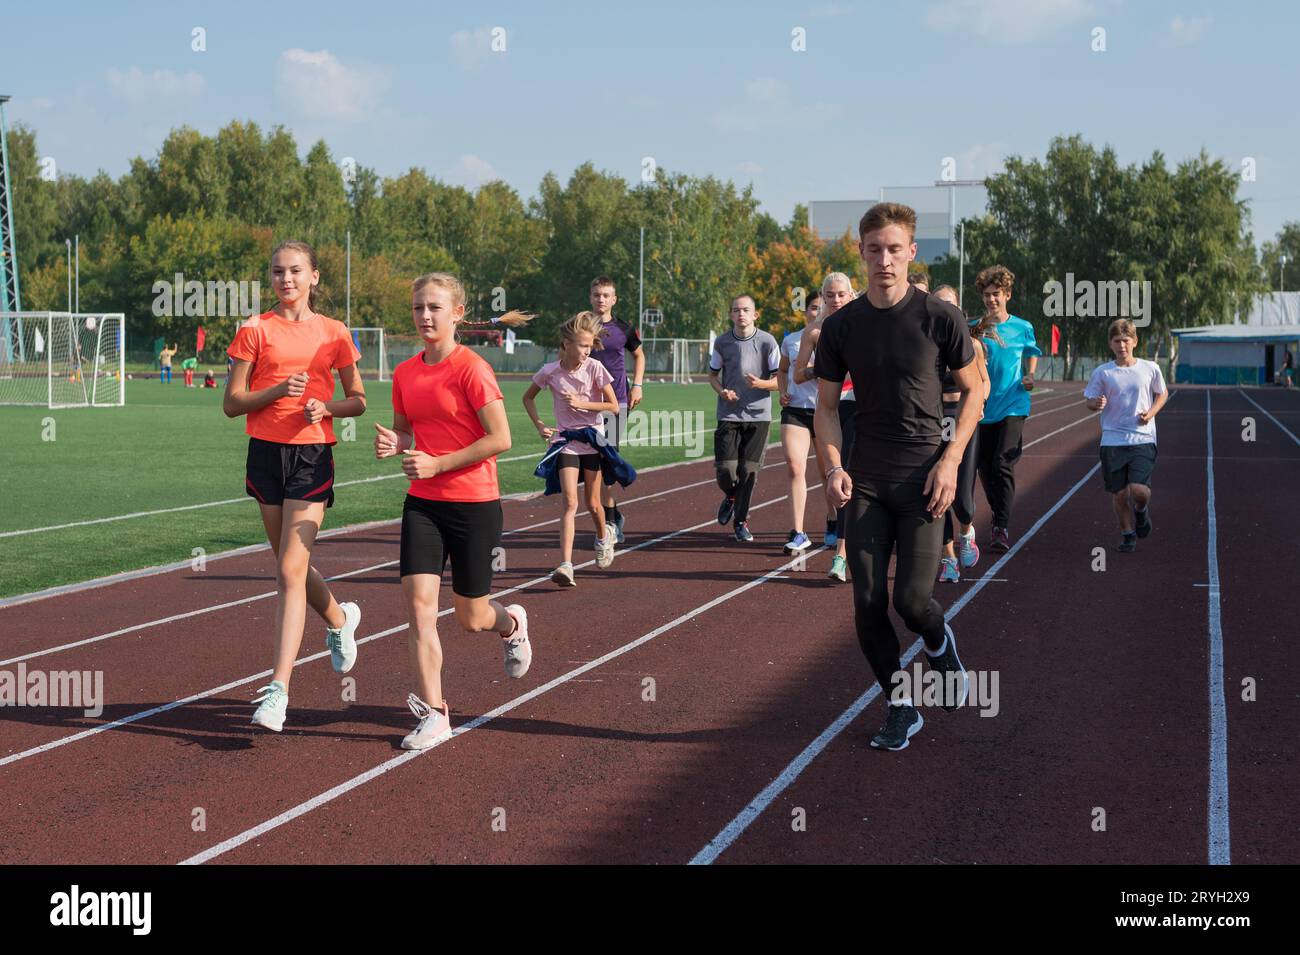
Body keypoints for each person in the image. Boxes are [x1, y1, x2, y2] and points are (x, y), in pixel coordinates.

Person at [814, 203, 982, 751]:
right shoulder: (841, 326)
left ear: (912, 252)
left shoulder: (940, 317)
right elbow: (825, 408)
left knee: (912, 602)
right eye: (873, 249)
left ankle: (939, 643)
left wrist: (951, 459)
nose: (884, 259)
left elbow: (974, 390)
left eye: (894, 249)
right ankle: (901, 705)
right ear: (860, 253)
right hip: (864, 479)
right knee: (866, 605)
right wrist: (833, 466)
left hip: (924, 480)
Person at [374, 272, 536, 750]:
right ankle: (437, 713)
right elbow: (408, 432)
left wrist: (437, 462)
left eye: (435, 308)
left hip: (474, 505)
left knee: (471, 617)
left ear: (457, 314)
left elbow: (501, 439)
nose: (425, 316)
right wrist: (395, 443)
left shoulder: (472, 369)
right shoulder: (405, 373)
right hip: (423, 505)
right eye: (418, 308)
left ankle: (512, 624)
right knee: (420, 611)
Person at [224, 240, 367, 733]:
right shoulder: (254, 329)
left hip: (311, 455)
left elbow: (359, 401)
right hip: (265, 455)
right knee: (292, 569)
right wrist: (274, 393)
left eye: (296, 271)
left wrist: (325, 408)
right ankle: (339, 621)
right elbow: (232, 402)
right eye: (278, 271)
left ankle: (278, 690)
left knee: (289, 567)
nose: (287, 279)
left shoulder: (334, 333)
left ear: (315, 277)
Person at [522, 311, 621, 586]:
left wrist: (583, 403)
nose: (587, 351)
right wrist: (540, 424)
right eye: (582, 345)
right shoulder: (550, 372)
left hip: (592, 440)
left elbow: (613, 406)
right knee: (569, 503)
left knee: (591, 503)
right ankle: (565, 565)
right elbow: (527, 398)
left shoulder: (595, 369)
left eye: (590, 346)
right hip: (566, 442)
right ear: (566, 344)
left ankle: (604, 537)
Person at [972, 265, 1041, 552]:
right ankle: (999, 509)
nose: (991, 300)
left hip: (1014, 402)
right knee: (984, 468)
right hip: (984, 405)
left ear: (1007, 294)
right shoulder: (977, 328)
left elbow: (1031, 353)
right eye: (987, 295)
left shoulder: (1022, 327)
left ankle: (1001, 525)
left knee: (1002, 461)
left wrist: (1030, 376)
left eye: (996, 294)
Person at [1083, 319, 1168, 553]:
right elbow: (1090, 399)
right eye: (1117, 341)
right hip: (1112, 440)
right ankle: (1127, 533)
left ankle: (1141, 511)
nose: (1122, 345)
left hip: (1142, 438)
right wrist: (1096, 403)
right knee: (1119, 494)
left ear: (1135, 342)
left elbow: (1162, 394)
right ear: (1110, 344)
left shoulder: (1150, 368)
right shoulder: (1103, 372)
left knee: (1139, 491)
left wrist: (1150, 413)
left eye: (1126, 340)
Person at [793, 272, 857, 581]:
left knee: (858, 476)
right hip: (832, 408)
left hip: (863, 407)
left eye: (841, 294)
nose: (835, 300)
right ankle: (841, 552)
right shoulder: (815, 332)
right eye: (830, 295)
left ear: (851, 295)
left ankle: (849, 551)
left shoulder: (864, 325)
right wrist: (826, 368)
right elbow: (797, 375)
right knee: (838, 474)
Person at [710, 294, 780, 542]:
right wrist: (723, 391)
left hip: (759, 416)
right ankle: (731, 495)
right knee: (726, 471)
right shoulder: (722, 342)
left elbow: (780, 380)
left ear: (755, 314)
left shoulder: (767, 342)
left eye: (746, 310)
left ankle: (740, 521)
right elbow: (712, 376)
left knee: (748, 470)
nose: (741, 314)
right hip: (729, 414)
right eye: (736, 310)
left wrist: (761, 383)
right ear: (730, 314)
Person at [933, 285, 990, 582]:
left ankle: (966, 529)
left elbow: (983, 381)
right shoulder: (925, 343)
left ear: (959, 309)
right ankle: (949, 558)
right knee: (934, 492)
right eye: (939, 304)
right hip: (933, 420)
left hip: (963, 418)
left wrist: (979, 404)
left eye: (950, 304)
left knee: (962, 498)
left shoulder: (972, 344)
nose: (945, 309)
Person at [777, 289, 836, 556]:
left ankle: (834, 520)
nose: (815, 311)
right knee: (794, 466)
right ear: (804, 311)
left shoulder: (834, 337)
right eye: (811, 307)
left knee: (827, 473)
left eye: (819, 307)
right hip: (796, 411)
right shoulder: (791, 340)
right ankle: (798, 532)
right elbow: (782, 370)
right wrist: (781, 391)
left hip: (825, 411)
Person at [588, 276, 645, 544]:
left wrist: (638, 386)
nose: (601, 299)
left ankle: (611, 522)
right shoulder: (581, 325)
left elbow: (639, 355)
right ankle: (613, 516)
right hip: (586, 404)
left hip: (617, 402)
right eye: (597, 294)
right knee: (592, 465)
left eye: (606, 295)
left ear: (614, 299)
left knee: (607, 461)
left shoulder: (624, 328)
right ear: (591, 297)